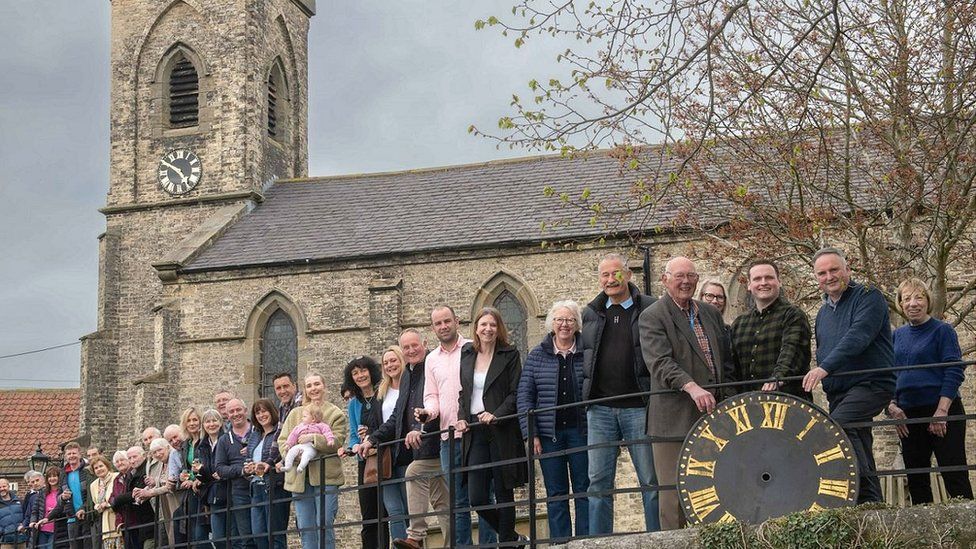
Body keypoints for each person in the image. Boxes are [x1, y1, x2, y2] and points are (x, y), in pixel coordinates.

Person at [639, 256, 735, 530]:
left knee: (717, 488)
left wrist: (725, 397)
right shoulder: (653, 316)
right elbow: (659, 362)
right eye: (679, 276)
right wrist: (691, 386)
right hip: (673, 420)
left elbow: (725, 362)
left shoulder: (710, 313)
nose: (685, 281)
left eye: (691, 276)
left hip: (714, 415)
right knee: (674, 498)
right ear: (665, 279)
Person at [802, 247, 895, 504]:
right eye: (822, 273)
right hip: (840, 391)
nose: (829, 276)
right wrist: (829, 379)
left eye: (834, 270)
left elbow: (858, 337)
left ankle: (862, 496)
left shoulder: (868, 296)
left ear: (847, 270)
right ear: (816, 278)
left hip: (871, 383)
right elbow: (823, 349)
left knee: (837, 427)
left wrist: (824, 368)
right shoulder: (822, 314)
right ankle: (873, 504)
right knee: (861, 443)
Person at [581, 253, 659, 534]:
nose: (610, 280)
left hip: (639, 406)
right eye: (604, 275)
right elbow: (584, 358)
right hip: (600, 409)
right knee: (598, 482)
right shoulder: (590, 313)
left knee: (650, 480)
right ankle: (600, 540)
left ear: (628, 275)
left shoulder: (649, 308)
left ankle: (657, 537)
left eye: (616, 273)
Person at [416, 305, 496, 547]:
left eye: (447, 321)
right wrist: (427, 413)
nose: (443, 326)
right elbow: (431, 395)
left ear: (457, 321)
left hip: (477, 433)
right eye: (438, 323)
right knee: (458, 501)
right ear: (433, 328)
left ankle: (489, 545)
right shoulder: (430, 359)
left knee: (484, 496)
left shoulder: (474, 347)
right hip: (447, 437)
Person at [887, 278, 972, 503]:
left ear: (928, 300)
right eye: (906, 299)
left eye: (919, 297)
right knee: (917, 478)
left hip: (942, 408)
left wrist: (942, 411)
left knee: (954, 474)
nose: (913, 303)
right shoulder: (896, 336)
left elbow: (953, 371)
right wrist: (892, 405)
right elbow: (890, 375)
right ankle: (928, 534)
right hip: (908, 414)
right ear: (900, 304)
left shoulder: (942, 331)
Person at [363, 330, 450, 549]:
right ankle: (447, 542)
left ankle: (416, 536)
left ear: (424, 343)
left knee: (417, 476)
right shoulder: (408, 376)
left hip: (438, 441)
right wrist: (372, 439)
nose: (411, 351)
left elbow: (439, 404)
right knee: (442, 501)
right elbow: (396, 416)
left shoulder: (432, 365)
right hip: (421, 448)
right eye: (406, 347)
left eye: (414, 346)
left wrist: (420, 428)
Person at [518, 300, 589, 543]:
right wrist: (531, 433)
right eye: (559, 320)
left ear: (577, 324)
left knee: (584, 490)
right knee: (556, 493)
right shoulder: (537, 355)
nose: (564, 325)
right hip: (550, 436)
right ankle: (560, 543)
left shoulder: (586, 351)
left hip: (582, 432)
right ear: (551, 324)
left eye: (569, 320)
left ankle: (585, 542)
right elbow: (525, 396)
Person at [455, 307, 527, 545]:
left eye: (493, 325)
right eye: (483, 324)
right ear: (476, 328)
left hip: (500, 428)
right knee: (477, 497)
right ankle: (513, 537)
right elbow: (464, 394)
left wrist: (496, 414)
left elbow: (516, 393)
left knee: (504, 492)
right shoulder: (467, 354)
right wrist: (462, 416)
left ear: (499, 329)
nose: (488, 329)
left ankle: (507, 543)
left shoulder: (509, 354)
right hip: (474, 431)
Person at [277, 372, 347, 549]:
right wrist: (291, 454)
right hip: (299, 478)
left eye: (317, 384)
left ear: (323, 386)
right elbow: (283, 439)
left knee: (324, 523)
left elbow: (337, 441)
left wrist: (313, 438)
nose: (313, 388)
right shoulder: (295, 414)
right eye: (309, 386)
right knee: (306, 527)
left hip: (326, 476)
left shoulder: (334, 413)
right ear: (305, 390)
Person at [730, 260, 812, 400]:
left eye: (769, 277)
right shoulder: (739, 324)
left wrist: (777, 378)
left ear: (779, 282)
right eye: (757, 279)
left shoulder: (793, 315)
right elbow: (732, 367)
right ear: (749, 285)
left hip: (789, 402)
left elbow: (792, 352)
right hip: (749, 406)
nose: (763, 283)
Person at [356, 346, 410, 543]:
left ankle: (412, 543)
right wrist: (369, 434)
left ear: (402, 361)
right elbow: (377, 422)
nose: (390, 365)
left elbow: (397, 420)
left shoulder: (409, 386)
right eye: (386, 362)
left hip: (405, 453)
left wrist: (373, 437)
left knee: (407, 508)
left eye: (394, 360)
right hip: (384, 457)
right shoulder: (382, 390)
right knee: (394, 509)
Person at [342, 356, 388, 549]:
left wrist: (370, 434)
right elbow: (353, 434)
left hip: (387, 457)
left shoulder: (384, 393)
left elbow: (389, 424)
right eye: (355, 373)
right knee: (369, 514)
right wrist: (354, 446)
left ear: (371, 371)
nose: (360, 375)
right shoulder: (353, 403)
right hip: (366, 462)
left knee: (387, 511)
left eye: (363, 370)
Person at [213, 398, 256, 549]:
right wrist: (241, 470)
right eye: (231, 411)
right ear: (227, 415)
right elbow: (219, 468)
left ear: (245, 410)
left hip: (262, 488)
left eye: (238, 410)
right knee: (246, 538)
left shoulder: (258, 431)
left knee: (265, 533)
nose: (236, 414)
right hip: (240, 492)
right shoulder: (224, 440)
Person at [246, 399, 287, 549]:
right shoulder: (255, 435)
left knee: (275, 535)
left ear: (272, 411)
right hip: (256, 487)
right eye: (257, 412)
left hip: (274, 486)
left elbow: (282, 455)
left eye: (264, 411)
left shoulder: (280, 431)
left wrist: (267, 465)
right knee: (258, 534)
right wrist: (249, 467)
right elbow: (249, 458)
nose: (261, 415)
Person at [137, 437, 179, 547]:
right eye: (154, 452)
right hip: (166, 506)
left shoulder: (174, 457)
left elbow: (170, 485)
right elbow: (161, 482)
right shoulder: (161, 463)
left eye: (160, 450)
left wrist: (149, 493)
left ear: (167, 447)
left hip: (177, 502)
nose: (158, 454)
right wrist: (142, 492)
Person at [110, 447, 155, 549]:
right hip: (128, 519)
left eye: (134, 457)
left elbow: (137, 492)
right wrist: (117, 501)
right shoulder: (118, 479)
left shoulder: (143, 470)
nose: (132, 460)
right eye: (130, 458)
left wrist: (119, 499)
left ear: (143, 455)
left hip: (143, 517)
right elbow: (112, 499)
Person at [177, 407, 208, 546]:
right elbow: (188, 468)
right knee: (193, 535)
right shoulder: (186, 445)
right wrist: (183, 476)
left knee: (201, 534)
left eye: (195, 419)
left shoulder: (205, 441)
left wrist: (194, 479)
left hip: (204, 490)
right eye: (188, 420)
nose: (192, 423)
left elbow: (207, 464)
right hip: (190, 494)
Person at [194, 409, 224, 549]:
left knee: (226, 537)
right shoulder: (202, 445)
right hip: (210, 495)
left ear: (220, 422)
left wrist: (204, 472)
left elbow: (220, 470)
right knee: (216, 538)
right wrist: (199, 472)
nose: (211, 424)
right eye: (207, 421)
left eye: (214, 420)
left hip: (225, 492)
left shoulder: (226, 440)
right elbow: (205, 475)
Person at [58, 442, 93, 549]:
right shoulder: (63, 473)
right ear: (65, 456)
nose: (71, 456)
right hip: (71, 517)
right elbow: (58, 496)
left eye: (74, 453)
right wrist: (62, 497)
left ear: (80, 454)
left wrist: (84, 508)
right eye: (69, 454)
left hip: (87, 515)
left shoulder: (87, 471)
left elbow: (91, 494)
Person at [283, 405, 336, 473]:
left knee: (307, 455)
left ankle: (301, 466)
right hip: (300, 445)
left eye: (304, 416)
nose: (302, 418)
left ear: (313, 418)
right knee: (291, 452)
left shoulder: (322, 425)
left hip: (311, 446)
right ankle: (288, 466)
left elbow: (327, 432)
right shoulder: (300, 426)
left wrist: (330, 440)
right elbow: (293, 435)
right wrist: (288, 444)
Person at [87, 455, 122, 549]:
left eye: (101, 466)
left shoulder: (117, 476)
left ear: (107, 466)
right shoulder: (93, 485)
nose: (99, 469)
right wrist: (98, 506)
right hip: (105, 521)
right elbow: (95, 502)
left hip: (118, 516)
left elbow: (119, 495)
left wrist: (108, 504)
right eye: (96, 468)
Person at [31, 466, 65, 549]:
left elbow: (64, 509)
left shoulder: (63, 492)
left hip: (56, 529)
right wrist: (33, 521)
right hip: (42, 529)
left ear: (59, 477)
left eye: (54, 476)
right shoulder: (42, 493)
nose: (52, 479)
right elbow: (35, 510)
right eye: (49, 476)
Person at [109, 452, 130, 549]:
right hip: (122, 519)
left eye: (122, 460)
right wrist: (115, 501)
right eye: (117, 462)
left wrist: (117, 500)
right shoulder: (117, 479)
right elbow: (112, 497)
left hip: (133, 517)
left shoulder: (131, 475)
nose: (119, 463)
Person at [0, 478, 28, 546]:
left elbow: (26, 516)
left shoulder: (19, 501)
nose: (2, 489)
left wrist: (24, 525)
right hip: (6, 541)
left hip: (21, 538)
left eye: (4, 486)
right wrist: (3, 531)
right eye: (0, 487)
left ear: (8, 487)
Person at [18, 470, 44, 541]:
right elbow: (28, 513)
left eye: (37, 480)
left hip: (46, 525)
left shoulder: (48, 493)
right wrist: (24, 524)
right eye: (31, 482)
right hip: (34, 526)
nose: (34, 483)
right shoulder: (31, 496)